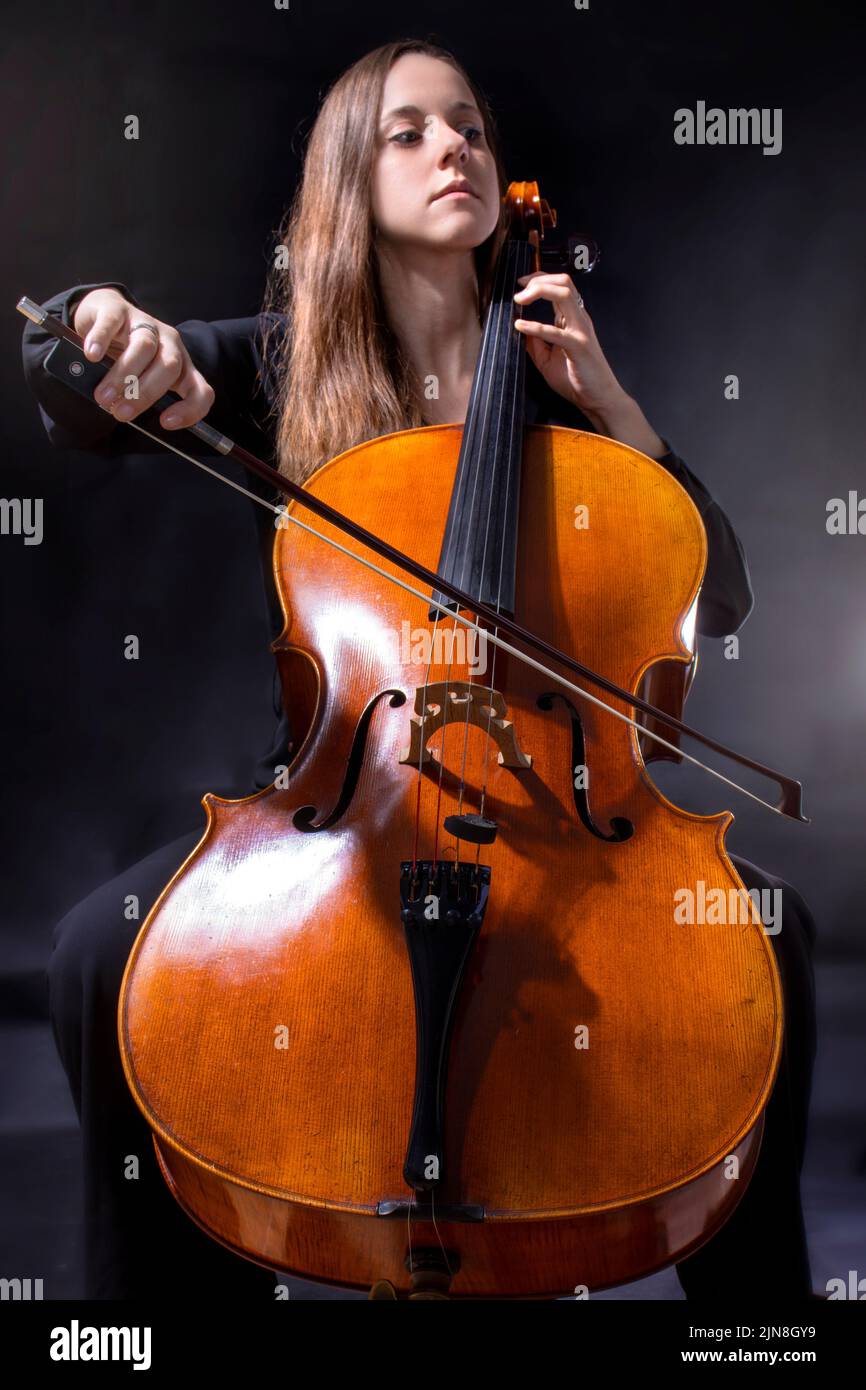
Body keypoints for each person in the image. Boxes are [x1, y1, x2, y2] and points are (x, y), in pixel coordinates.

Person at [22, 38, 817, 1300]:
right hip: (340, 801)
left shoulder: (560, 402)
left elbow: (714, 588)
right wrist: (96, 327)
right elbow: (84, 393)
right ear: (351, 174)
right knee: (85, 950)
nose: (453, 146)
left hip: (556, 810)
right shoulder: (279, 361)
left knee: (765, 921)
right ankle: (154, 1317)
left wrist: (611, 402)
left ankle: (768, 1326)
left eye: (469, 128)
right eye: (408, 131)